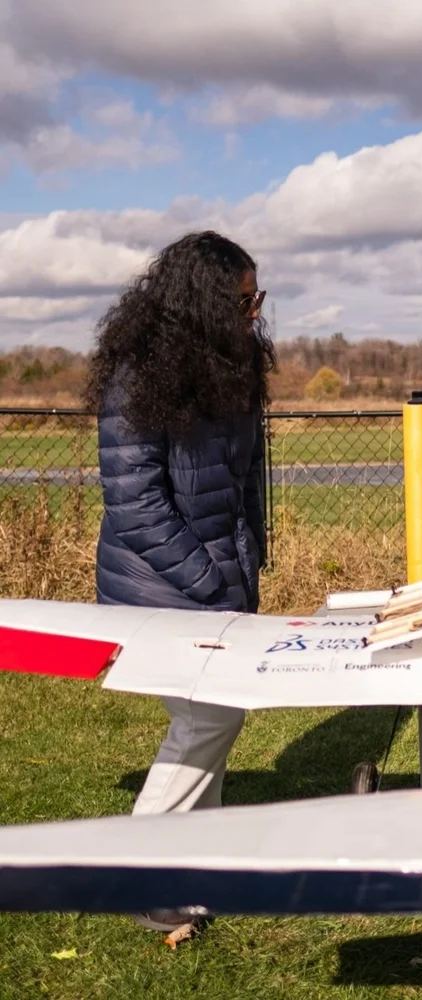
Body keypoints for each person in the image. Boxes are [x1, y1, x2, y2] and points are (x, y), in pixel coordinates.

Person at [83, 230, 274, 929]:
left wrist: (247, 564)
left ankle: (199, 873)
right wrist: (209, 578)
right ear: (201, 304)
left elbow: (247, 477)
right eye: (242, 302)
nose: (254, 315)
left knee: (211, 720)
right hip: (156, 589)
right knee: (211, 717)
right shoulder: (138, 377)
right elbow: (136, 508)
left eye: (258, 300)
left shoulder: (235, 363)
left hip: (222, 581)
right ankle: (141, 879)